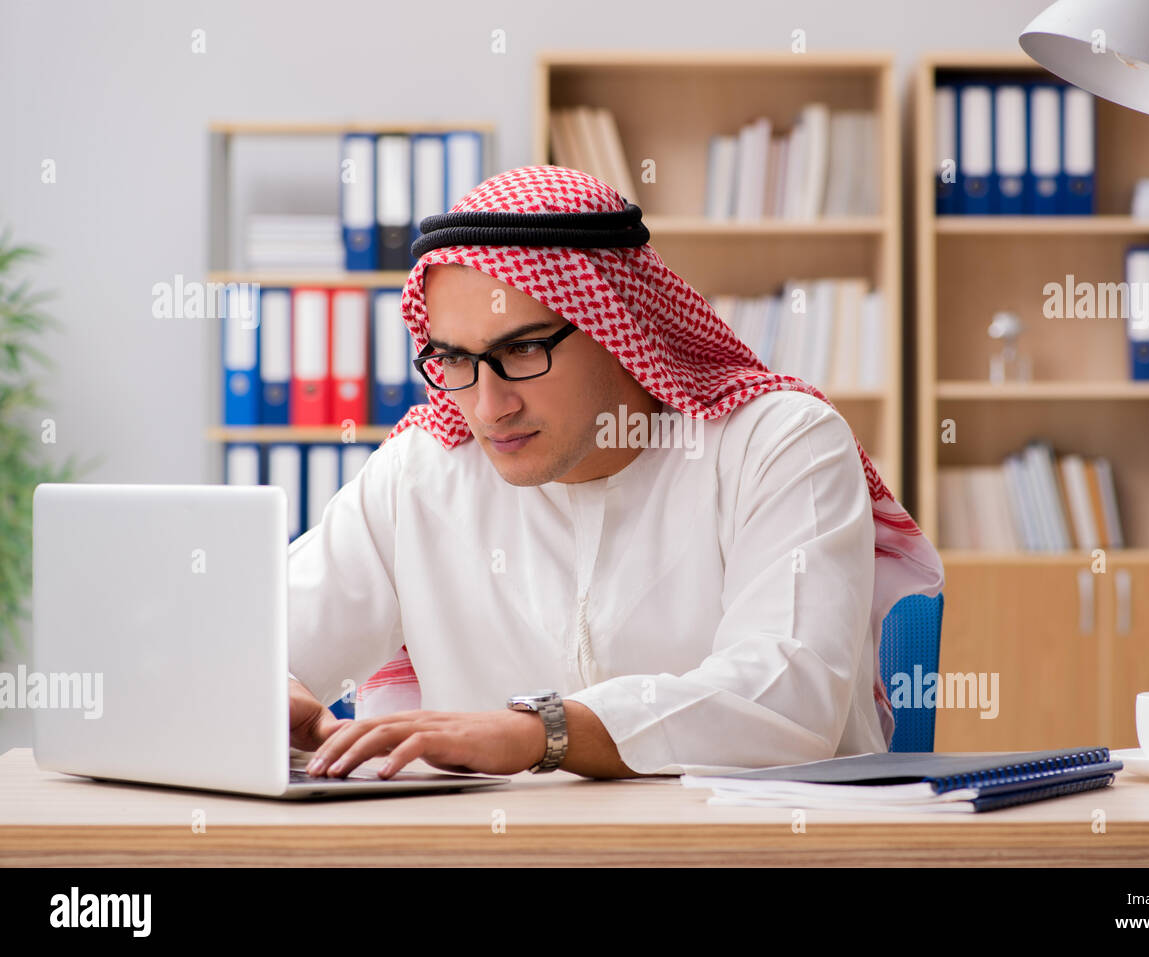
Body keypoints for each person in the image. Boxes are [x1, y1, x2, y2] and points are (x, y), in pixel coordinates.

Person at [287, 165, 943, 780]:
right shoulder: (419, 477)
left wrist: (540, 732)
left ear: (618, 322)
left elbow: (788, 698)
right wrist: (264, 686)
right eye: (454, 359)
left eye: (522, 348)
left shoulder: (779, 445)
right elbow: (261, 639)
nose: (489, 406)